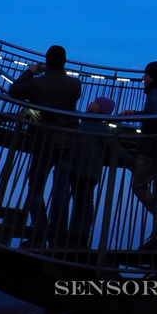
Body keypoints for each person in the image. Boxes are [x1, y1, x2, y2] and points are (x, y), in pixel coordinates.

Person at [8, 45, 81, 245]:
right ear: (65, 61)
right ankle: (57, 236)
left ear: (47, 61)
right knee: (61, 190)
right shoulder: (75, 84)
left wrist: (30, 72)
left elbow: (13, 91)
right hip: (68, 140)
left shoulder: (38, 84)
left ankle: (40, 232)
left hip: (44, 140)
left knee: (36, 188)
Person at [123, 60, 157, 250]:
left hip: (153, 147)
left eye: (146, 74)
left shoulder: (155, 94)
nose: (143, 78)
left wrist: (136, 115)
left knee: (138, 186)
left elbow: (155, 117)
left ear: (152, 77)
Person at [49, 96, 116, 248]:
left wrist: (131, 160)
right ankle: (77, 235)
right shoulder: (87, 122)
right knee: (81, 203)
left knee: (83, 203)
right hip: (82, 169)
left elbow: (112, 147)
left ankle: (80, 236)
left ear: (100, 108)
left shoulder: (98, 126)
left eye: (95, 102)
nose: (91, 102)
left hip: (86, 170)